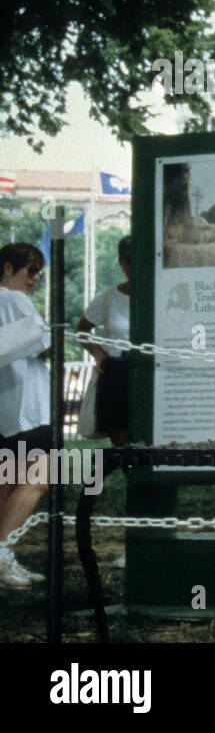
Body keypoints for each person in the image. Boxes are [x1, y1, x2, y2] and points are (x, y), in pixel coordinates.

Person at [0, 242, 52, 587]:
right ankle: (3, 551)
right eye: (29, 269)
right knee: (39, 478)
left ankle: (4, 558)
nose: (35, 277)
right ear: (7, 267)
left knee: (6, 486)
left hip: (6, 410)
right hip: (27, 410)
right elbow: (45, 342)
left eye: (38, 272)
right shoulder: (15, 300)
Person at [76, 236, 132, 446]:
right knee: (122, 443)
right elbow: (81, 331)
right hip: (117, 373)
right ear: (121, 263)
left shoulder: (161, 295)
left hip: (151, 370)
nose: (133, 266)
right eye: (129, 261)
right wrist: (98, 353)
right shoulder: (107, 297)